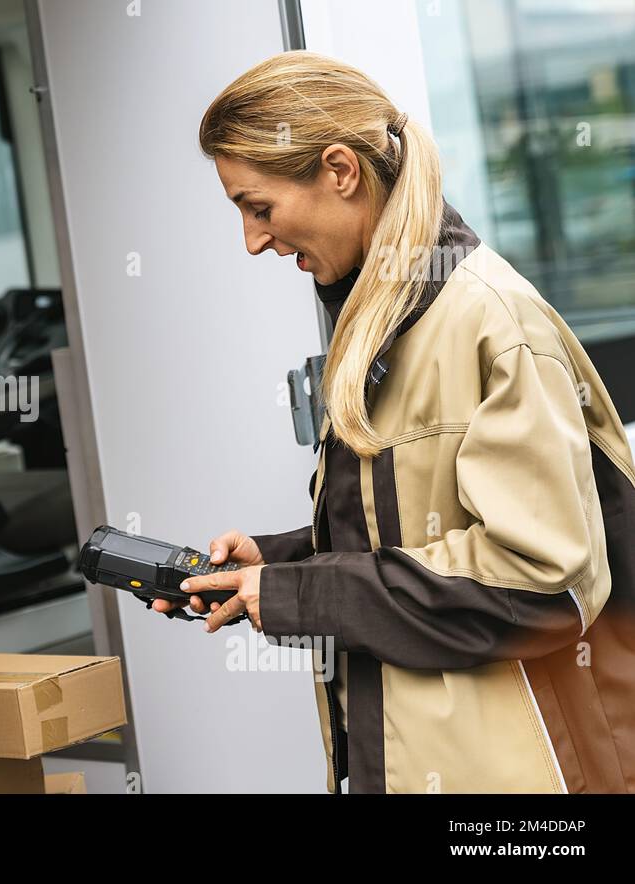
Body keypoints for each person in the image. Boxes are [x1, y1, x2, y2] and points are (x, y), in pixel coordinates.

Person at [156, 50, 635, 793]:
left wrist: (304, 595)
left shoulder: (487, 321)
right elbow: (416, 536)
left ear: (341, 170)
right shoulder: (385, 320)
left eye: (258, 208)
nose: (254, 241)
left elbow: (546, 584)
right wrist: (276, 565)